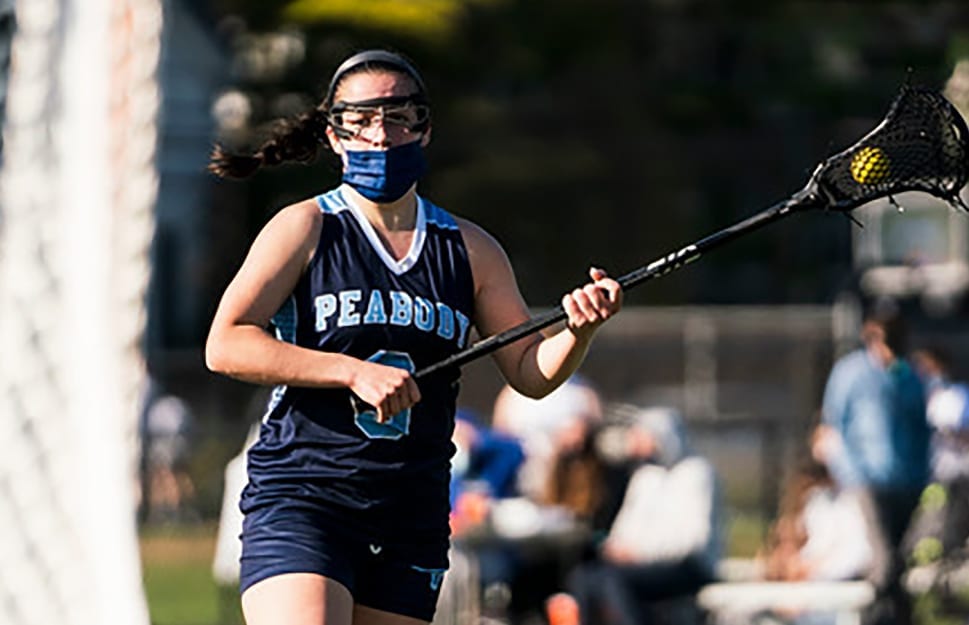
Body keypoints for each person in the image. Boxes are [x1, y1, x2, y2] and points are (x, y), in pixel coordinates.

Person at [204, 49, 623, 625]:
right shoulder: (305, 228)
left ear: (423, 129)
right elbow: (226, 343)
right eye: (363, 118)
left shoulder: (471, 249)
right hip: (306, 496)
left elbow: (530, 372)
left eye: (398, 115)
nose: (381, 133)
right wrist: (350, 370)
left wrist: (580, 330)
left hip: (410, 510)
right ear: (335, 134)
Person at [816, 301, 930, 625]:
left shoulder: (909, 375)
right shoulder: (850, 372)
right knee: (884, 561)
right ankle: (875, 618)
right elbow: (833, 426)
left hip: (906, 481)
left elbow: (921, 429)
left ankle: (894, 616)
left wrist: (922, 473)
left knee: (898, 561)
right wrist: (849, 473)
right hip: (867, 480)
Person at [564, 406, 722, 625]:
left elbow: (693, 541)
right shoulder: (646, 476)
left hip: (688, 567)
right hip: (639, 564)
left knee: (615, 581)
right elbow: (626, 526)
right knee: (584, 578)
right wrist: (615, 547)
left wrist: (640, 553)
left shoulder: (696, 473)